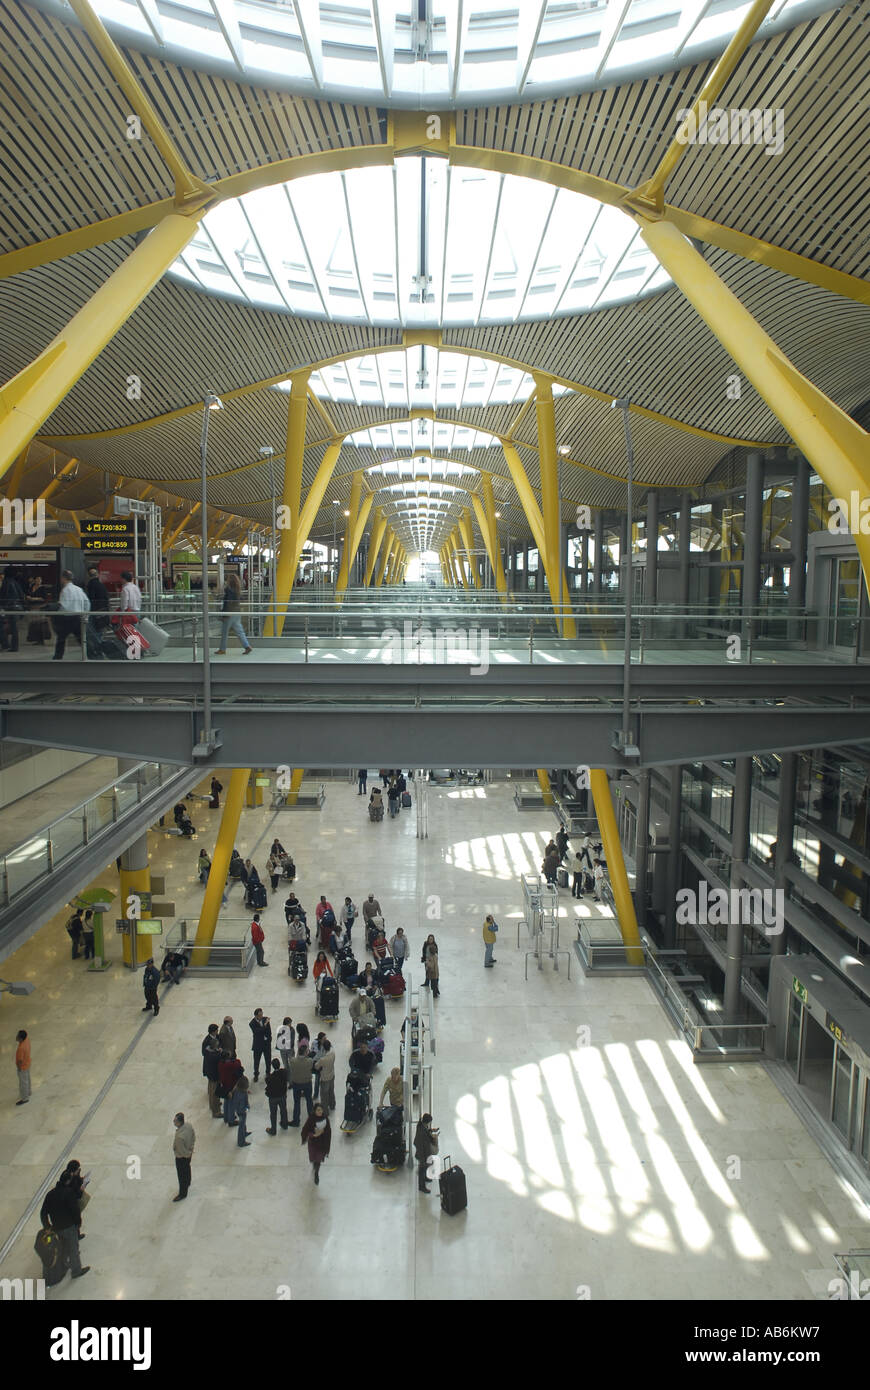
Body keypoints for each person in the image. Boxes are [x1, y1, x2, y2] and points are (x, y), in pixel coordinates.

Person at [40, 1172, 89, 1278]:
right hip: (69, 1226)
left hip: (56, 1227)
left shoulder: (50, 1194)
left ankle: (63, 1267)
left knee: (62, 1249)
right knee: (73, 1249)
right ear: (67, 1181)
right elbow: (74, 1210)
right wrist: (78, 1223)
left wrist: (47, 1226)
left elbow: (43, 1212)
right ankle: (76, 1271)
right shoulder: (69, 1192)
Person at [52, 571, 90, 660]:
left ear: (64, 578)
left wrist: (56, 613)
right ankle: (91, 655)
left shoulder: (65, 590)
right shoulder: (79, 589)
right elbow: (87, 603)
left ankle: (57, 658)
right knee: (82, 639)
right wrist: (86, 615)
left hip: (67, 618)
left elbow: (63, 606)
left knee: (61, 639)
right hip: (78, 617)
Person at [216, 571, 252, 655]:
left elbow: (228, 603)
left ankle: (222, 649)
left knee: (224, 632)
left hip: (229, 613)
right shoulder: (237, 589)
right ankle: (247, 646)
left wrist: (224, 614)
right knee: (239, 631)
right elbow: (240, 599)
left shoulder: (228, 590)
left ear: (229, 581)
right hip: (237, 612)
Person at [300, 1103, 331, 1184]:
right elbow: (305, 1130)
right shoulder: (311, 1119)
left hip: (322, 1143)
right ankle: (315, 1165)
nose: (320, 1111)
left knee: (318, 1159)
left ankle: (316, 1173)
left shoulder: (325, 1118)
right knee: (313, 1158)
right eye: (318, 1110)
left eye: (321, 1110)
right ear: (315, 1111)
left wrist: (323, 1132)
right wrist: (314, 1134)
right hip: (313, 1143)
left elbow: (329, 1131)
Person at [0, 565, 25, 652]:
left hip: (9, 608)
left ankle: (5, 644)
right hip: (18, 608)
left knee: (2, 626)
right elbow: (22, 596)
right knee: (14, 628)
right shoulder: (15, 582)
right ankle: (14, 647)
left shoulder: (6, 582)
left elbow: (3, 596)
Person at [288, 1044, 314, 1125]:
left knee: (297, 1102)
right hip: (307, 1083)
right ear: (306, 1052)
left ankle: (296, 1120)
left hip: (296, 1083)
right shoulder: (310, 1061)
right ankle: (312, 1119)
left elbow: (290, 1059)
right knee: (309, 1101)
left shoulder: (292, 1061)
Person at [172, 1112, 196, 1200]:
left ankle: (182, 1193)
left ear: (179, 1122)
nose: (173, 1122)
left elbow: (181, 1151)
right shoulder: (189, 1126)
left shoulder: (179, 1137)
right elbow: (193, 1137)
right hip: (189, 1152)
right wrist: (190, 1151)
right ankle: (188, 1181)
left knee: (181, 1175)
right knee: (187, 1168)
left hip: (181, 1157)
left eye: (175, 1121)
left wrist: (186, 1155)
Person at [413, 1114, 439, 1194]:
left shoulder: (421, 1126)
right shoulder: (422, 1132)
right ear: (427, 1122)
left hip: (424, 1152)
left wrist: (431, 1131)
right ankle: (422, 1186)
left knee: (425, 1168)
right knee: (422, 1169)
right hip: (423, 1153)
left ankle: (425, 1178)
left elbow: (426, 1131)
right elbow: (421, 1145)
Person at [202, 1024, 223, 1117]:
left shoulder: (216, 1038)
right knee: (214, 1091)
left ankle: (213, 1104)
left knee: (212, 1088)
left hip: (212, 1071)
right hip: (213, 1072)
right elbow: (205, 1053)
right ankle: (216, 1111)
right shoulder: (207, 1042)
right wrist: (218, 1052)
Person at [264, 1058, 289, 1134]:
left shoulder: (269, 1078)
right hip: (282, 1095)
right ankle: (285, 1124)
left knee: (273, 1113)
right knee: (283, 1110)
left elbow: (268, 1085)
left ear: (272, 1066)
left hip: (273, 1098)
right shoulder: (284, 1072)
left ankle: (273, 1130)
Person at [85, 565, 110, 633]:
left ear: (88, 575)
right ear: (97, 574)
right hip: (103, 611)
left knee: (94, 631)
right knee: (100, 631)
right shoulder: (101, 585)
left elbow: (91, 598)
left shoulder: (91, 585)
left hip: (95, 612)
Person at [218, 1051, 242, 1125]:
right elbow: (238, 1062)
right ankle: (231, 1120)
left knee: (226, 1102)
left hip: (224, 1085)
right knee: (232, 1103)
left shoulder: (220, 1064)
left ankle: (226, 1117)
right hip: (231, 1086)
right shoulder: (230, 1065)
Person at [313, 1039, 336, 1112]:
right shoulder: (333, 1053)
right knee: (331, 1092)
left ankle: (325, 1110)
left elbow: (316, 1066)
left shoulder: (323, 1059)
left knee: (324, 1095)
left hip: (325, 1078)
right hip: (331, 1075)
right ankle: (332, 1105)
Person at [249, 1009, 272, 1081]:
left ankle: (268, 1073)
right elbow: (257, 1031)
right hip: (258, 1045)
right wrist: (265, 1025)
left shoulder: (265, 1019)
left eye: (262, 1014)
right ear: (256, 1016)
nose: (262, 1016)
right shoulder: (252, 1023)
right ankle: (256, 1074)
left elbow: (269, 1031)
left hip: (266, 1044)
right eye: (260, 1015)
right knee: (256, 1061)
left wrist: (269, 1039)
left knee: (268, 1059)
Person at [232, 1072, 251, 1146]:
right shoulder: (241, 1096)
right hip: (241, 1112)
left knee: (243, 1124)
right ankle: (241, 1141)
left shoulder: (238, 1090)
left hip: (242, 1111)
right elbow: (240, 1105)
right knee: (241, 1125)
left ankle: (244, 1133)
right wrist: (246, 1109)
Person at [15, 1028, 30, 1105]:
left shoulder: (21, 1048)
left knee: (23, 1083)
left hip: (23, 1066)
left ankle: (25, 1098)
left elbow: (20, 1061)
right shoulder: (26, 1040)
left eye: (17, 1036)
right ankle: (28, 1092)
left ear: (21, 1039)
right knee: (27, 1079)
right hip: (27, 1063)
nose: (16, 1037)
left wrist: (19, 1068)